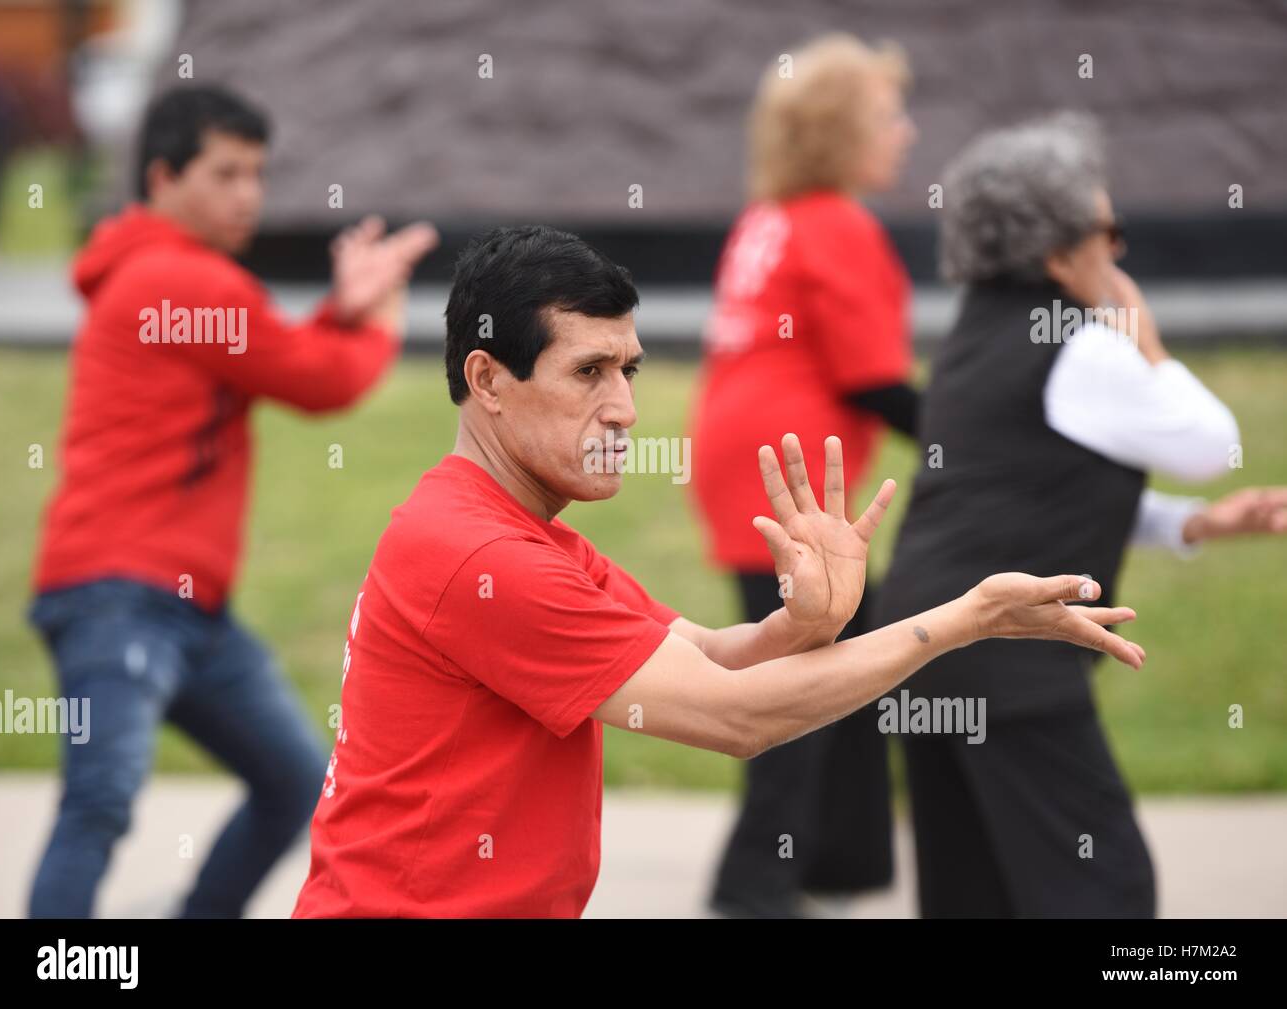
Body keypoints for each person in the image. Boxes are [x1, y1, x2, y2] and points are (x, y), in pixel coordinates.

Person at [292, 224, 1146, 919]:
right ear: (488, 378)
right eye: (587, 372)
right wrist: (966, 621)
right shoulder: (484, 557)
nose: (623, 408)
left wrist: (803, 624)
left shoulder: (514, 530)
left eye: (627, 369)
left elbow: (707, 656)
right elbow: (737, 718)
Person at [27, 84, 438, 918]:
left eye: (257, 173)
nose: (248, 193)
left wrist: (339, 310)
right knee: (99, 803)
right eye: (225, 173)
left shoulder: (169, 277)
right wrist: (380, 317)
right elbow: (318, 378)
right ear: (162, 177)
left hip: (185, 609)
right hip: (118, 595)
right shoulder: (181, 280)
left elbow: (273, 353)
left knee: (293, 779)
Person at [873, 112, 1287, 918]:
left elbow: (1030, 489)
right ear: (1060, 252)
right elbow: (1213, 443)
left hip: (922, 642)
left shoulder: (975, 330)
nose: (1121, 250)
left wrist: (1193, 526)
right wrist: (1146, 336)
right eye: (1109, 229)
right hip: (1006, 656)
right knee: (1102, 888)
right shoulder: (1084, 346)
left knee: (973, 890)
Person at [687, 33, 919, 917]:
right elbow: (875, 380)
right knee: (804, 678)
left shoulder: (773, 216)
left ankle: (835, 865)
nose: (905, 132)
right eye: (888, 116)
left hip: (743, 462)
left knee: (846, 657)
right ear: (840, 133)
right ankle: (755, 888)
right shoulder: (835, 222)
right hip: (788, 478)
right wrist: (972, 439)